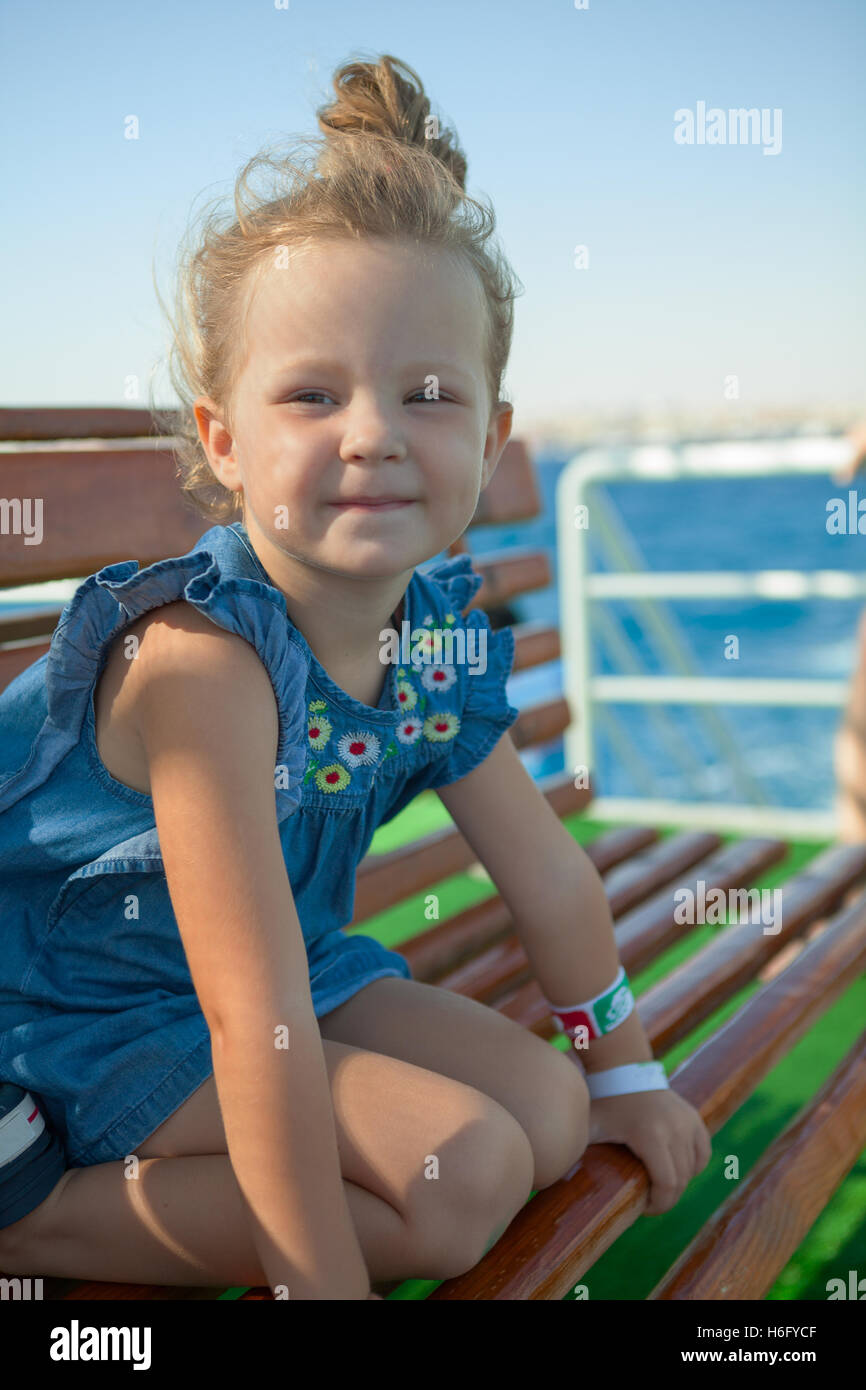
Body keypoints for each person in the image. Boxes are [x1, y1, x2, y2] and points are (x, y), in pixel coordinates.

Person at [0, 53, 710, 1300]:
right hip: (75, 1007)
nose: (373, 431)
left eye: (425, 394)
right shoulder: (203, 665)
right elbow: (250, 1022)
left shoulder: (428, 633)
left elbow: (545, 876)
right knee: (464, 1176)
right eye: (314, 394)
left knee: (548, 1108)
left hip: (280, 972)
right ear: (225, 440)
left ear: (489, 440)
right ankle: (37, 1219)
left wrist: (628, 1071)